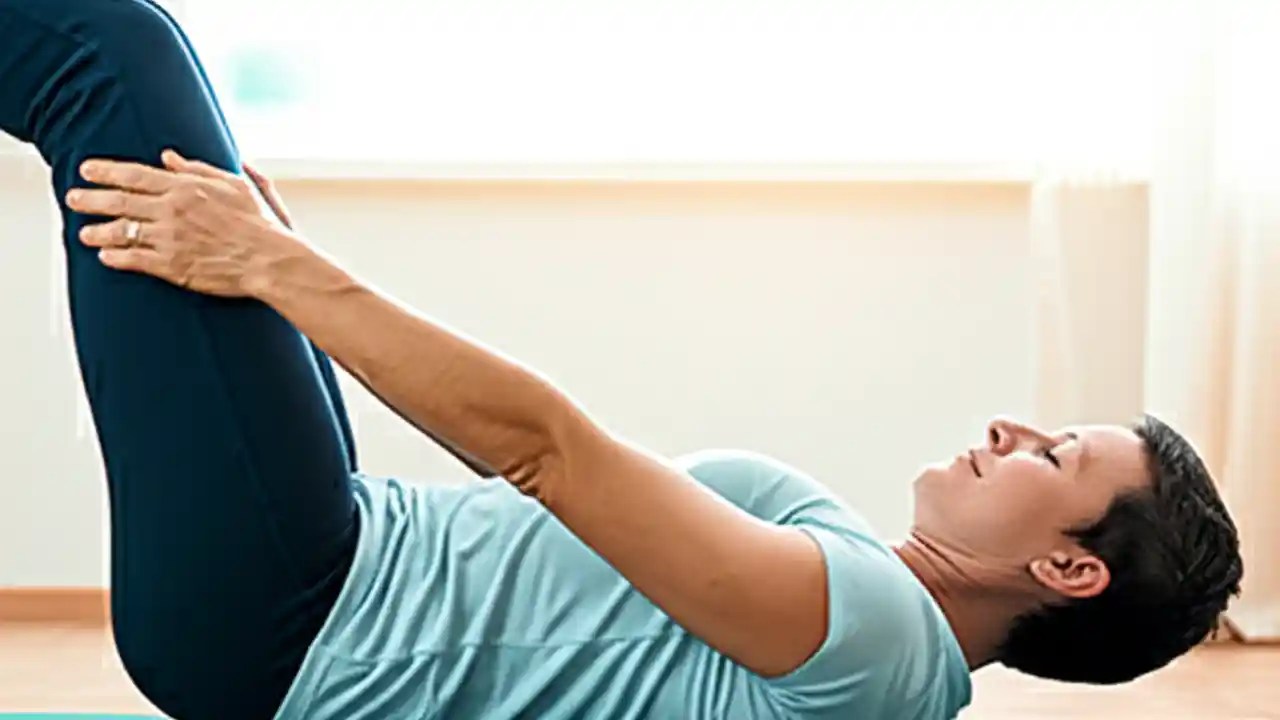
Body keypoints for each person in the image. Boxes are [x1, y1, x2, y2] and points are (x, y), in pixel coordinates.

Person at [1, 0, 1244, 718]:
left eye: (1056, 452)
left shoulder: (873, 638)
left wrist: (272, 271)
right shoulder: (870, 603)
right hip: (340, 560)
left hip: (293, 624)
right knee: (140, 62)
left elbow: (547, 452)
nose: (1010, 430)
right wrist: (278, 262)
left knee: (101, 54)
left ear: (1066, 566)